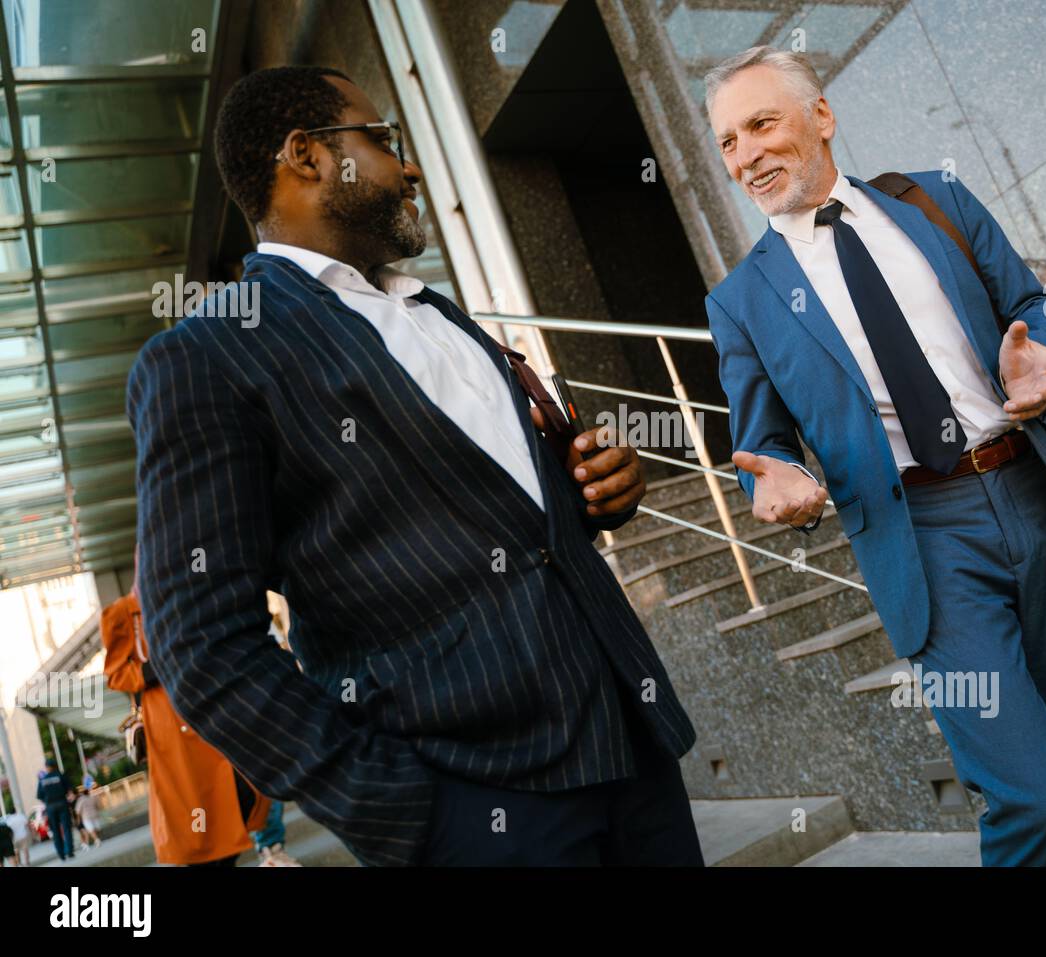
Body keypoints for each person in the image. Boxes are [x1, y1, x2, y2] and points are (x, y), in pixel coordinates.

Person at [125, 66, 701, 867]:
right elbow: (203, 644)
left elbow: (496, 515)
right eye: (383, 139)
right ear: (308, 157)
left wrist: (598, 493)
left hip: (634, 748)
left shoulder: (436, 311)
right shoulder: (210, 354)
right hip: (474, 804)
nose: (411, 165)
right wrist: (403, 811)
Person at [703, 46, 1046, 866]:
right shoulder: (739, 301)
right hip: (924, 536)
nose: (746, 155)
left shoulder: (935, 200)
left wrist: (1044, 350)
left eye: (762, 124)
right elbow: (760, 441)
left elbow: (1031, 302)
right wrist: (776, 478)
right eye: (728, 142)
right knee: (1034, 799)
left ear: (823, 118)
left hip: (1036, 491)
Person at [102, 566, 272, 866]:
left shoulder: (185, 598)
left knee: (243, 792)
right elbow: (115, 675)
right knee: (196, 815)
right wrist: (154, 669)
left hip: (210, 707)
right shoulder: (122, 613)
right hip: (170, 725)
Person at [35, 759, 77, 862]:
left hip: (50, 806)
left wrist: (47, 800)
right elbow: (70, 789)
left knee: (55, 831)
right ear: (55, 766)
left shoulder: (42, 780)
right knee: (66, 828)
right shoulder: (60, 776)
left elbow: (39, 796)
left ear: (47, 767)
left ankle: (61, 854)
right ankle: (70, 851)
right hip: (62, 803)